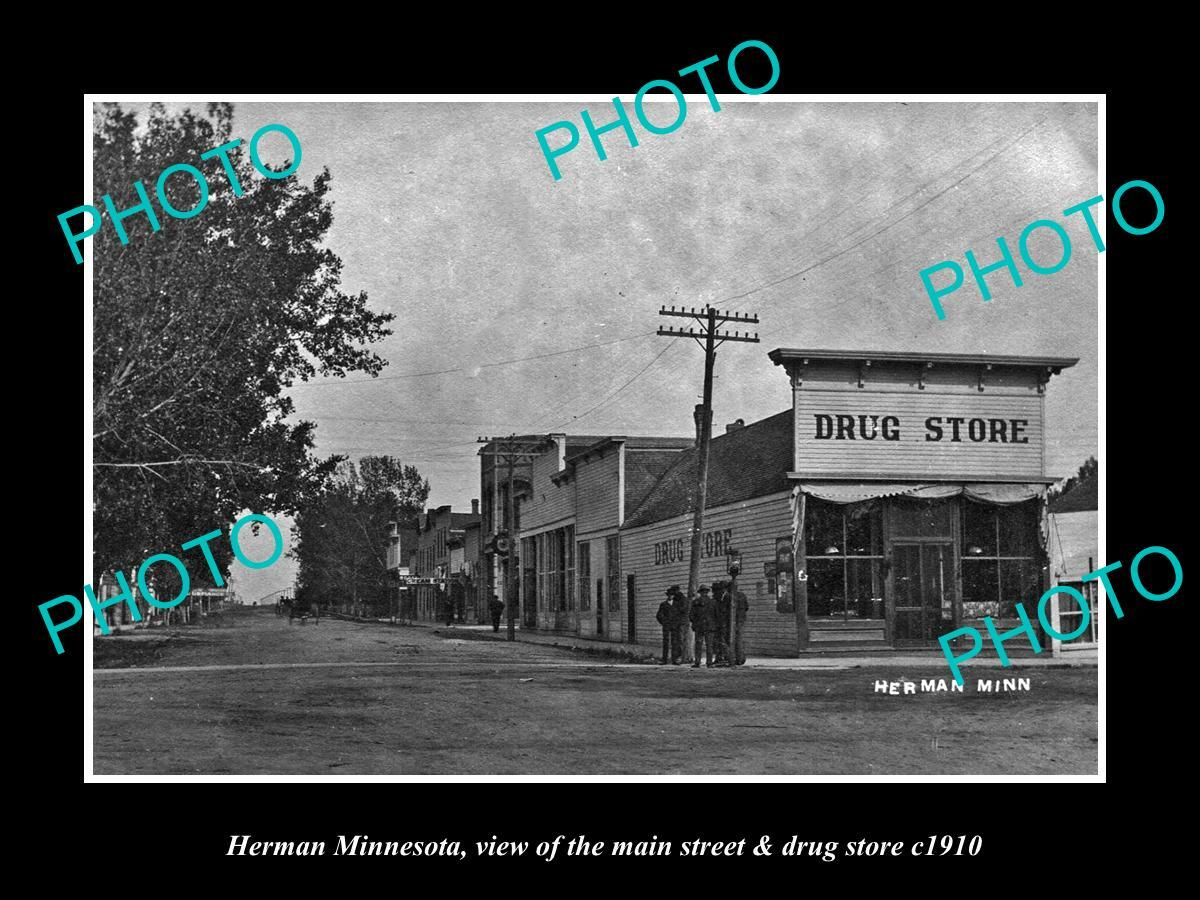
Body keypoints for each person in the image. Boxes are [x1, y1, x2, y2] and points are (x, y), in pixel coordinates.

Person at [689, 585, 715, 668]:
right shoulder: (712, 602)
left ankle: (698, 662)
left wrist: (695, 622)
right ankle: (709, 663)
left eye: (704, 592)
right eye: (703, 592)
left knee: (700, 645)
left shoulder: (696, 602)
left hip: (701, 626)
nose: (704, 593)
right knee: (708, 645)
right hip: (708, 626)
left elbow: (691, 616)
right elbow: (717, 615)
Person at [712, 581, 733, 666]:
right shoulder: (718, 597)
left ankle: (727, 657)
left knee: (723, 640)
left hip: (725, 623)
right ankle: (719, 657)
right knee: (718, 641)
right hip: (719, 622)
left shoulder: (728, 597)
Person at [656, 587, 678, 664]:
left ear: (674, 596)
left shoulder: (676, 604)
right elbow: (658, 615)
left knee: (674, 642)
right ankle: (664, 660)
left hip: (674, 626)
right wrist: (664, 622)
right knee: (666, 642)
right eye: (669, 595)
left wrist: (676, 623)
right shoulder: (663, 604)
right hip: (666, 626)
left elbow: (679, 615)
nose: (670, 596)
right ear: (667, 596)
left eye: (672, 595)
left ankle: (674, 660)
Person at [670, 588, 688, 664]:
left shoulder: (683, 599)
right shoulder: (675, 599)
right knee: (674, 641)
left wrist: (675, 610)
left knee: (680, 640)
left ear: (678, 591)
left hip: (681, 622)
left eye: (674, 591)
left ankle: (680, 657)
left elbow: (683, 609)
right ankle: (674, 657)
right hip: (675, 622)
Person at [733, 585, 749, 665]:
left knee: (736, 639)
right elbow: (746, 607)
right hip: (741, 619)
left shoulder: (731, 596)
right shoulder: (742, 595)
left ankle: (738, 658)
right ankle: (741, 657)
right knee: (740, 638)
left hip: (734, 620)